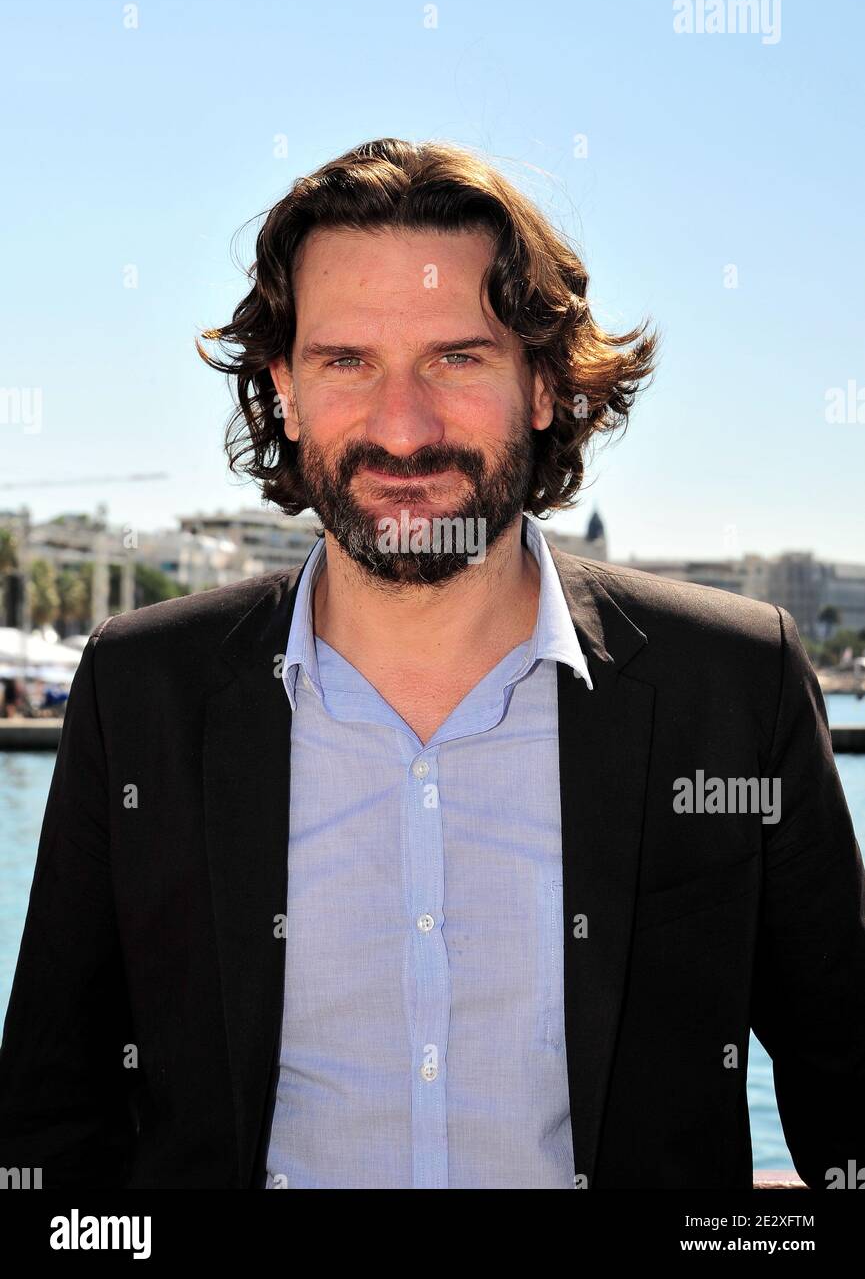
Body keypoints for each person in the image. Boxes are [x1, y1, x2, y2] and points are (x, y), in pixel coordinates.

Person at [0, 137, 862, 1190]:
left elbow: (844, 1097)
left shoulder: (732, 686)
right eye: (346, 361)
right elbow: (50, 1125)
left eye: (457, 358)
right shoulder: (144, 692)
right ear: (282, 389)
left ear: (543, 385)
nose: (402, 430)